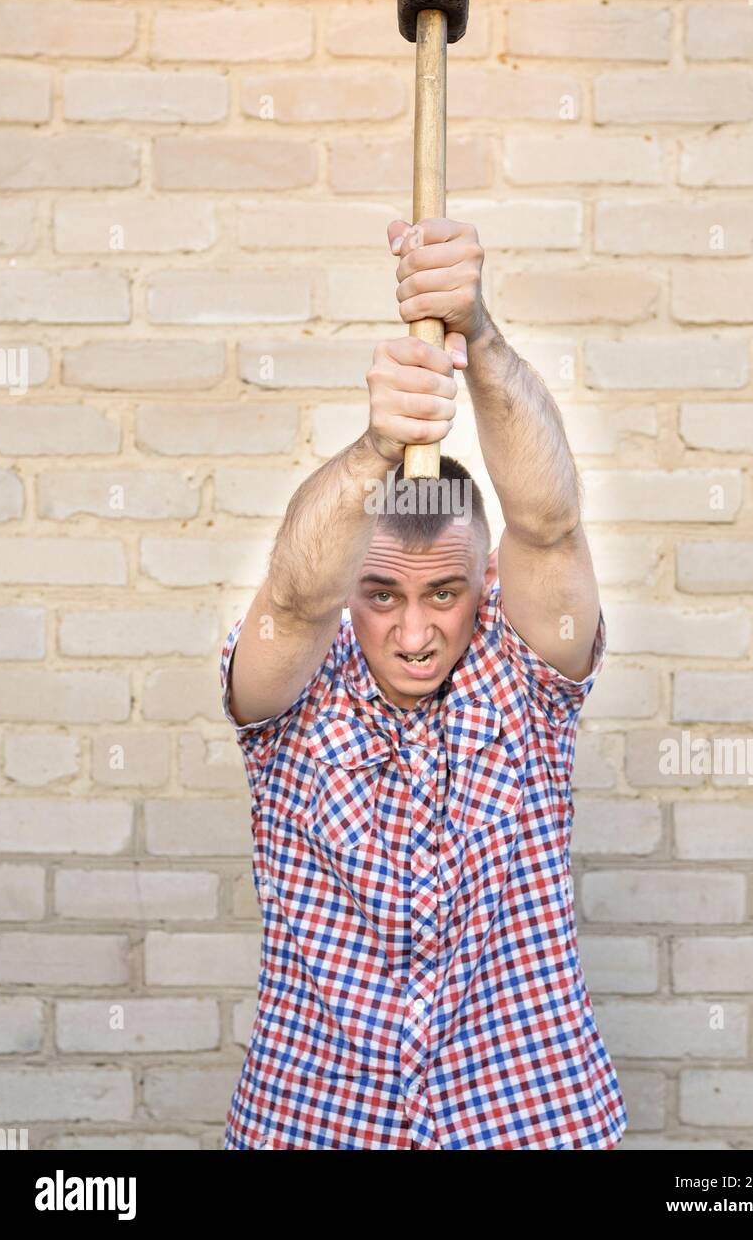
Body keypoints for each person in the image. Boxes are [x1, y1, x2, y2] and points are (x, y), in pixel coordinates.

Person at [219, 217, 627, 1150]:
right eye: (381, 595)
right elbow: (288, 594)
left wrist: (474, 334)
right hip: (316, 1125)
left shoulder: (521, 675)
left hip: (528, 1119)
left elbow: (549, 527)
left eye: (443, 593)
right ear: (348, 589)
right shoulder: (294, 692)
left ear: (484, 582)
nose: (413, 633)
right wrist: (375, 446)